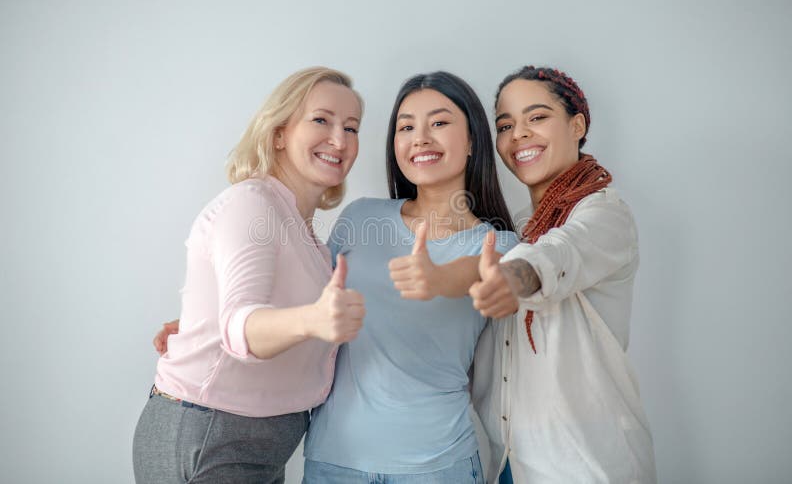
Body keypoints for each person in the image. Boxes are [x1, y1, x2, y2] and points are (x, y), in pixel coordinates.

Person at [133, 67, 367, 484]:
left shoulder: (301, 229)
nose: (340, 139)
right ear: (278, 133)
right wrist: (315, 318)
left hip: (252, 442)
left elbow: (242, 310)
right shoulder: (253, 206)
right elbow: (241, 327)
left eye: (351, 127)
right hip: (211, 435)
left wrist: (197, 325)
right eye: (321, 120)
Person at [301, 72, 519, 483]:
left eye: (438, 123)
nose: (419, 138)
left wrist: (438, 278)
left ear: (473, 140)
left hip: (438, 467)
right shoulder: (360, 218)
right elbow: (305, 301)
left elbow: (488, 275)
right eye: (406, 127)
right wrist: (215, 325)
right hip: (334, 462)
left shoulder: (500, 245)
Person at [469, 66, 657, 483]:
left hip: (584, 465)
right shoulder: (517, 226)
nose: (517, 134)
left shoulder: (604, 213)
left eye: (536, 117)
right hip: (508, 464)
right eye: (505, 124)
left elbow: (558, 255)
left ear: (577, 125)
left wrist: (512, 279)